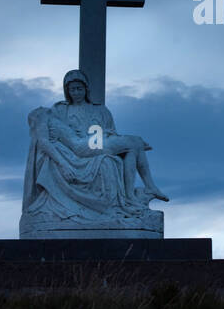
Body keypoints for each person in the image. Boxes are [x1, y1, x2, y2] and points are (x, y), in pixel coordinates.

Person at [20, 69, 168, 234]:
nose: (76, 92)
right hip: (79, 149)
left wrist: (109, 138)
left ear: (86, 89)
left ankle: (129, 197)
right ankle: (144, 191)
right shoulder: (56, 112)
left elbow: (110, 131)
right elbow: (45, 142)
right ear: (67, 91)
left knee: (132, 146)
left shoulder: (100, 111)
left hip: (95, 143)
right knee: (134, 143)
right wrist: (63, 161)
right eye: (72, 89)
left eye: (79, 89)